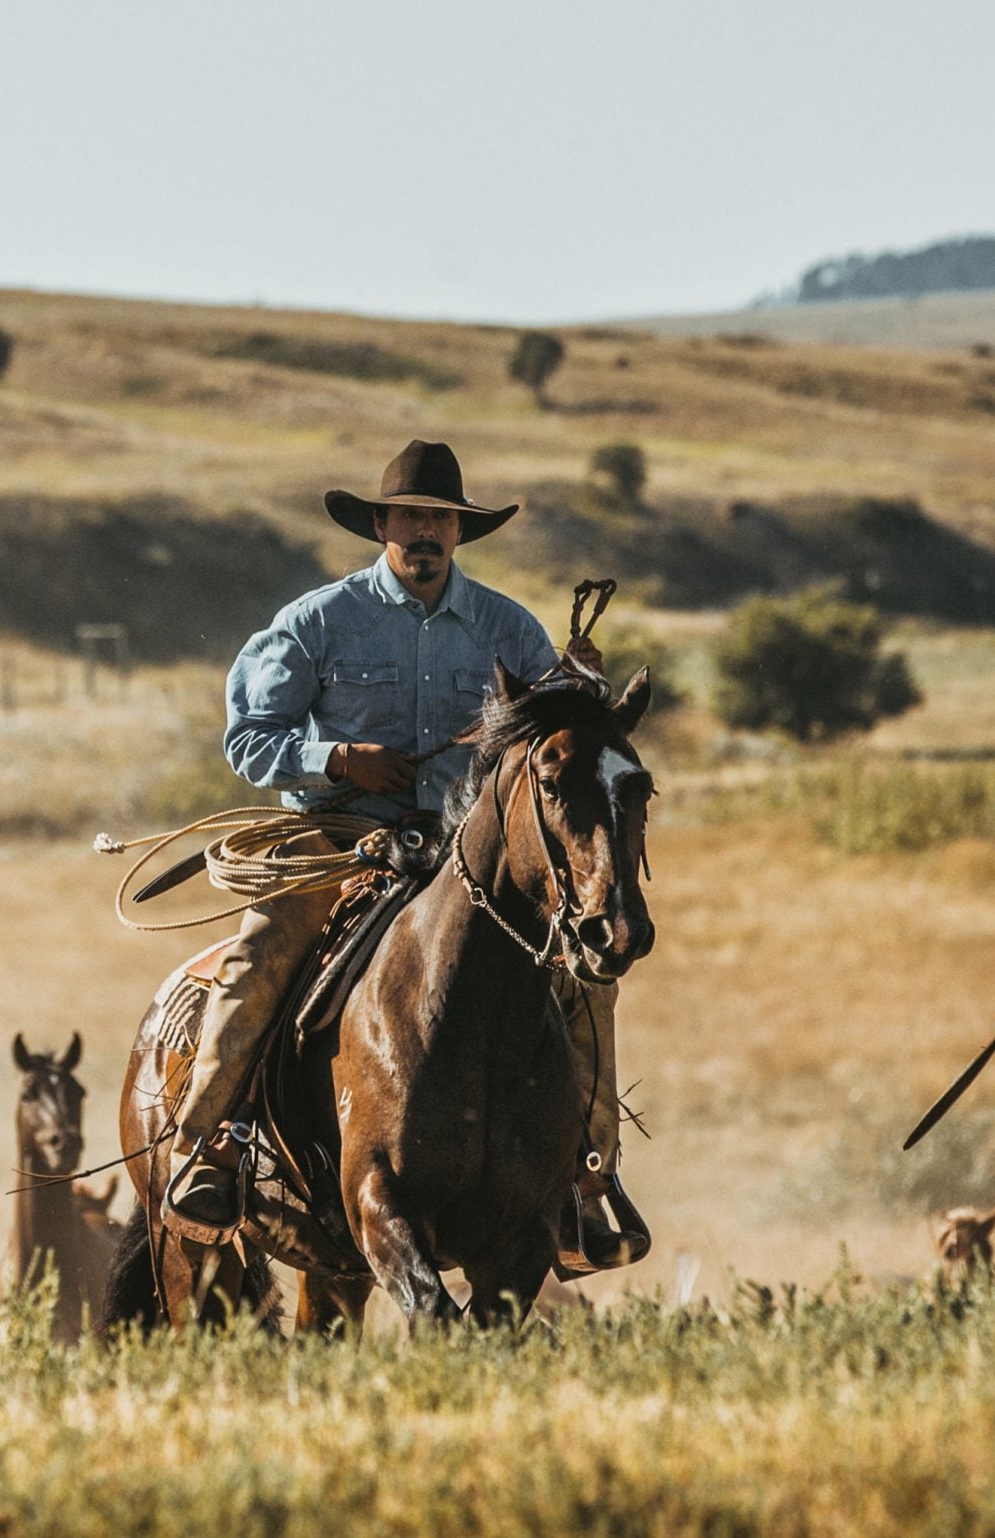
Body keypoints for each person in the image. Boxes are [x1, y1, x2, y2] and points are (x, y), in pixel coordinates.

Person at [165, 439, 649, 1270]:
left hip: (468, 855)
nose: (424, 530)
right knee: (264, 952)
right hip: (339, 838)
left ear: (459, 532)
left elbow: (562, 740)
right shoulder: (319, 621)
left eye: (440, 518)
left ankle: (583, 1178)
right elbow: (249, 737)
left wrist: (579, 687)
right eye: (410, 517)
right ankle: (211, 1143)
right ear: (381, 524)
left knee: (581, 979)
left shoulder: (510, 627)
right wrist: (339, 760)